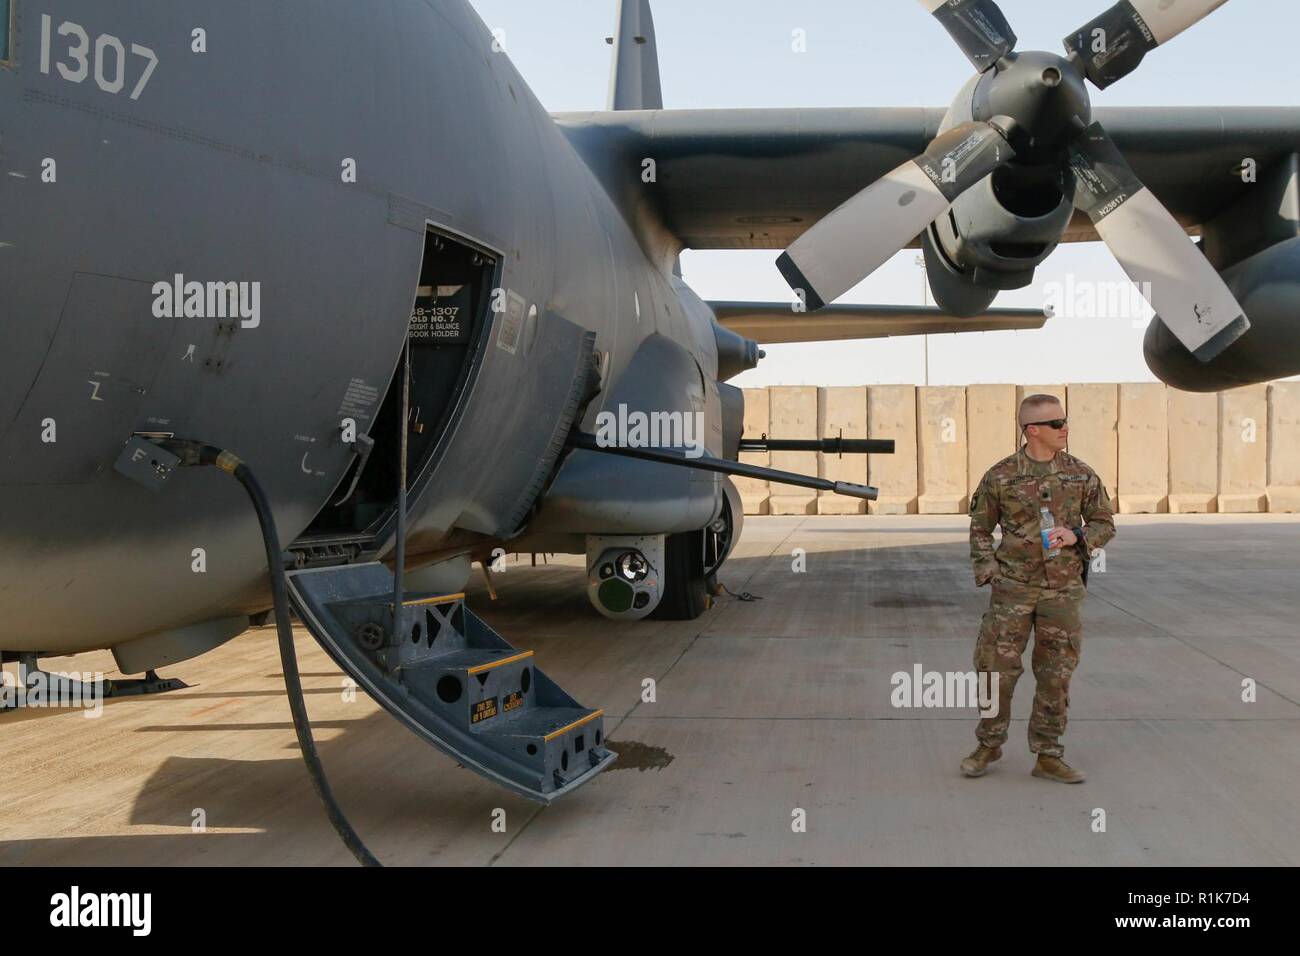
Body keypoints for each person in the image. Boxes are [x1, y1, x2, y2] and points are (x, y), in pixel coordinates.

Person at [961, 394, 1115, 783]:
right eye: (1056, 423)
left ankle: (1048, 754)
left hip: (1061, 592)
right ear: (1032, 430)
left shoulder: (1081, 474)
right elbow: (980, 528)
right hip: (1013, 590)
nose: (1065, 429)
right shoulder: (1001, 476)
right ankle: (988, 743)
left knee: (1055, 674)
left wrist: (1078, 535)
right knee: (996, 671)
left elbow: (1104, 522)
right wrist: (990, 572)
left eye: (1064, 422)